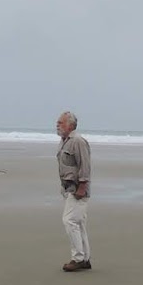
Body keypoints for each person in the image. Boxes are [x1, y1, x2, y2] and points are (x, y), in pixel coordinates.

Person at [55, 111, 92, 272]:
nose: (57, 125)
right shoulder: (64, 142)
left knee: (69, 221)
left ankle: (77, 258)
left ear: (70, 125)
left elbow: (85, 165)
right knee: (78, 223)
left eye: (60, 123)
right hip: (69, 188)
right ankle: (85, 259)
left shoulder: (78, 141)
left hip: (77, 189)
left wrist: (82, 187)